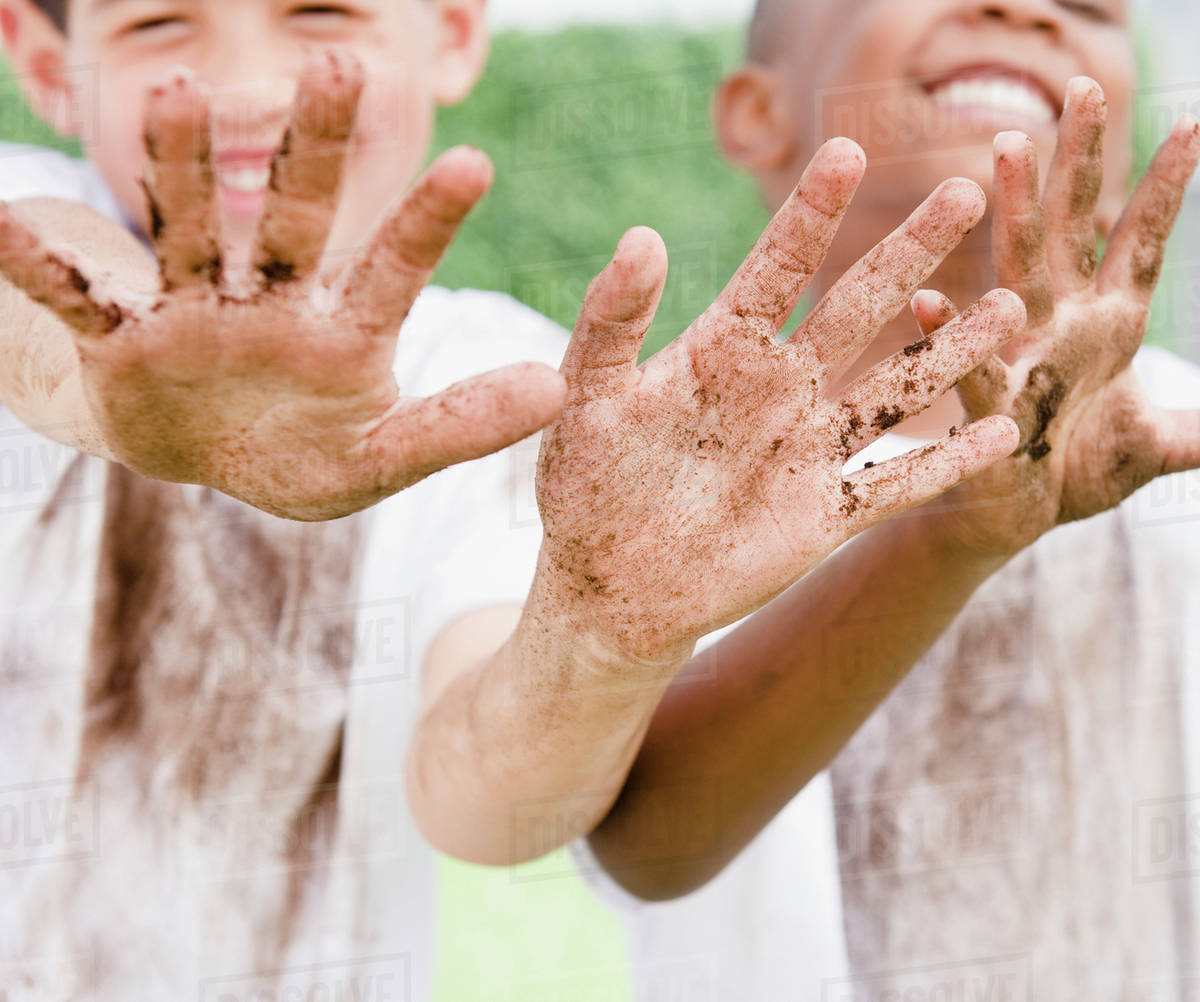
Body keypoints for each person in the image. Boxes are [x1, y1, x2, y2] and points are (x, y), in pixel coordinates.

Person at [0, 0, 1022, 998]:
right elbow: (31, 281)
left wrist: (603, 636)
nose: (254, 86)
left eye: (323, 15)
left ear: (448, 34)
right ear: (46, 67)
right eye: (158, 24)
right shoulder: (31, 223)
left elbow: (484, 808)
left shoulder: (492, 382)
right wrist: (107, 382)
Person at [575, 1, 1200, 999]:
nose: (1022, 9)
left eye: (1087, 5)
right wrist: (959, 531)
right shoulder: (662, 468)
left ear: (1114, 150)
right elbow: (646, 843)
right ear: (756, 116)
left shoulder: (1175, 440)